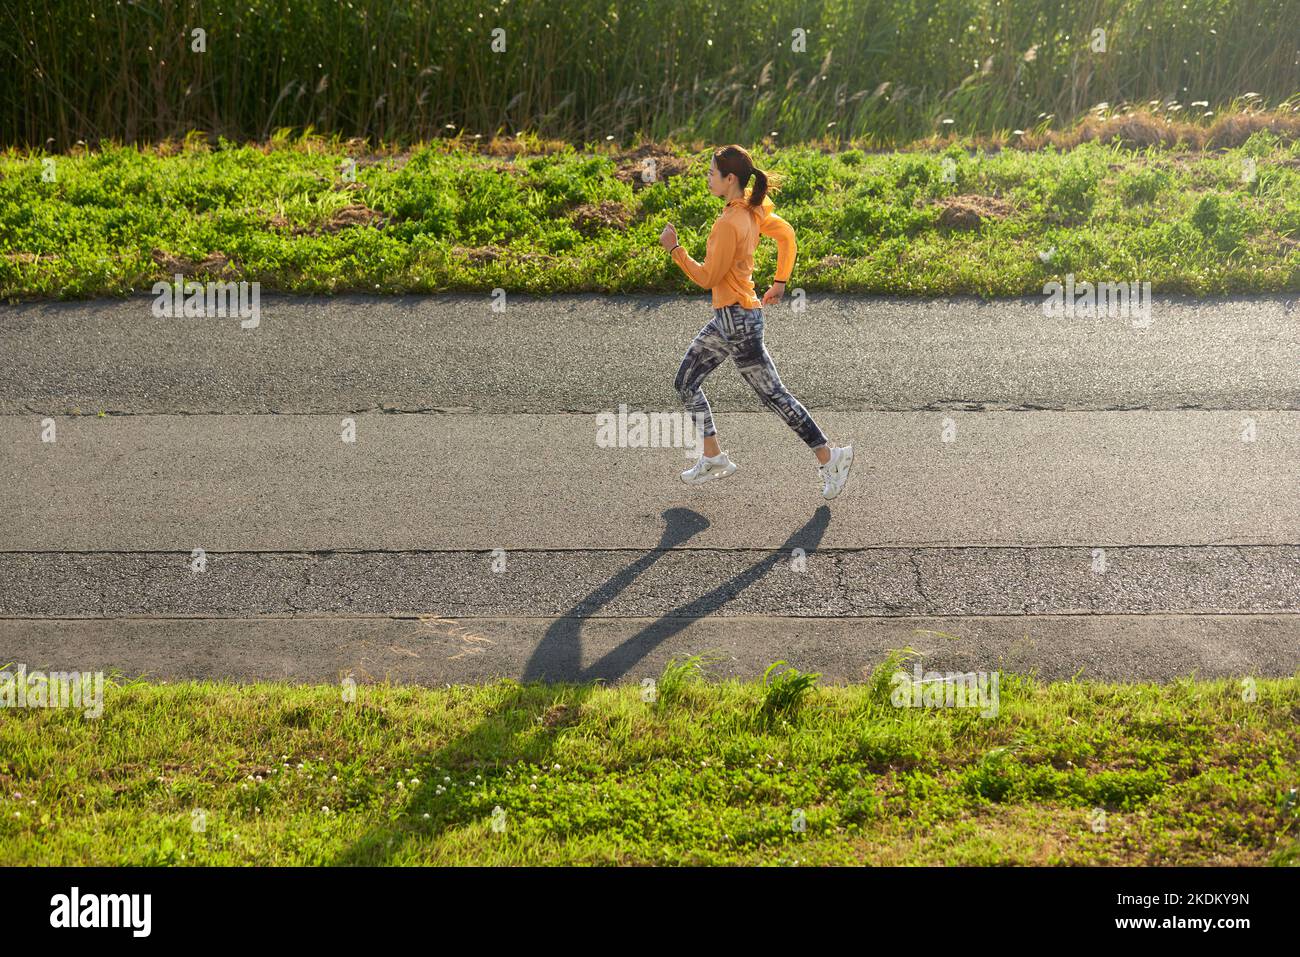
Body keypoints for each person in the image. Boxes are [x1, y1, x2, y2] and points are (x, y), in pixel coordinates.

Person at [659, 144, 853, 500]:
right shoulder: (754, 209)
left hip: (736, 321)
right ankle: (715, 455)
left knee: (764, 394)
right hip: (735, 318)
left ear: (729, 179)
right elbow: (787, 236)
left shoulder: (727, 224)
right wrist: (780, 281)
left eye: (712, 172)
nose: (708, 177)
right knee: (693, 384)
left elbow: (706, 277)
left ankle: (830, 457)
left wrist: (675, 250)